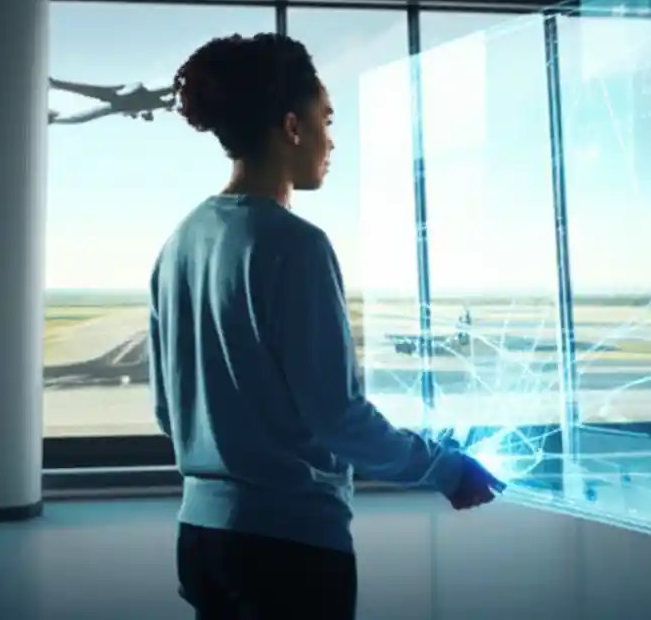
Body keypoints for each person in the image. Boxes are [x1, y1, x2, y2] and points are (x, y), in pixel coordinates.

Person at [148, 32, 505, 620]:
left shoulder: (177, 243)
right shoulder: (297, 247)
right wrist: (445, 468)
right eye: (326, 120)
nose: (331, 140)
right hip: (289, 551)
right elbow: (338, 417)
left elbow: (168, 411)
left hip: (200, 540)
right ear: (292, 127)